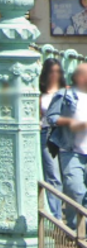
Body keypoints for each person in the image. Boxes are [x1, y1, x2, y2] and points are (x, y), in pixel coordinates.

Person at [49, 64, 87, 227]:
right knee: (75, 190)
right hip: (71, 150)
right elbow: (51, 117)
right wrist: (71, 122)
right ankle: (74, 228)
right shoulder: (65, 94)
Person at [40, 58, 67, 220]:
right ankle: (55, 217)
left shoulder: (67, 91)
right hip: (46, 134)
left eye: (58, 71)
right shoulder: (39, 93)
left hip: (65, 135)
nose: (54, 75)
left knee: (67, 177)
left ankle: (68, 214)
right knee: (53, 176)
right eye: (51, 71)